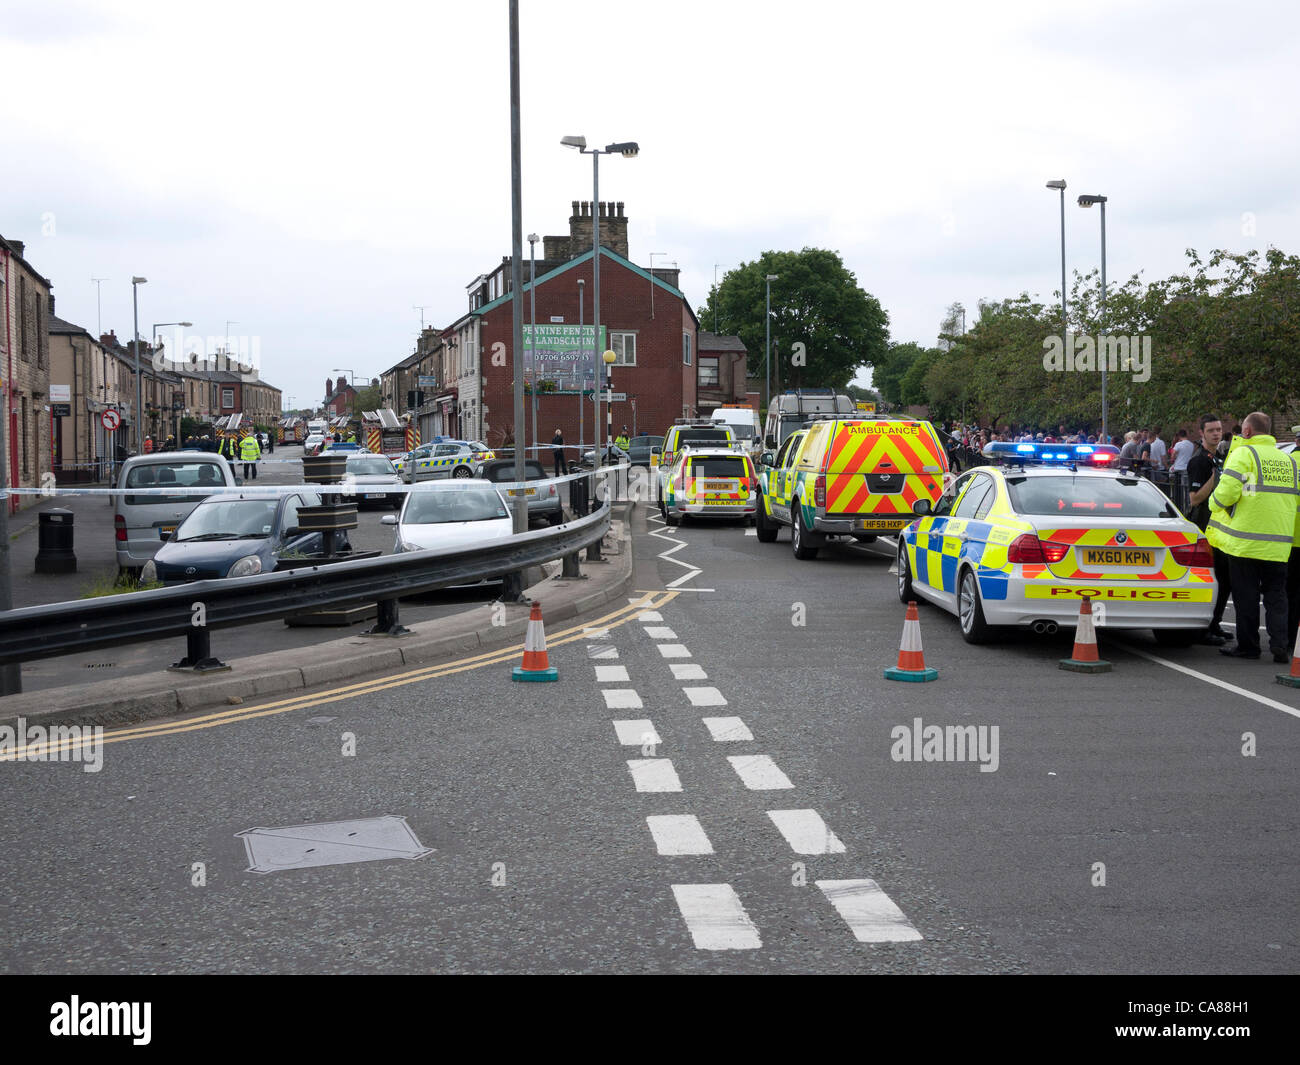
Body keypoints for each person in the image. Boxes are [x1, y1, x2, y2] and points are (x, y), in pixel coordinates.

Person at [1207, 411, 1298, 662]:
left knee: (1245, 596)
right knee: (1276, 596)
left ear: (1247, 432)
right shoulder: (1287, 460)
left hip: (1245, 541)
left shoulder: (1244, 454)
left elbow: (1226, 493)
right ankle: (1280, 645)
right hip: (1279, 542)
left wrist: (1213, 504)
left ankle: (1248, 646)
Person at [1187, 415, 1229, 644]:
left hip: (1221, 527)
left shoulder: (1220, 457)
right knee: (1215, 578)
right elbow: (1194, 499)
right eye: (1211, 430)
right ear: (1201, 433)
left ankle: (1215, 623)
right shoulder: (1199, 461)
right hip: (1205, 526)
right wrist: (1215, 478)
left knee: (1226, 580)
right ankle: (1205, 628)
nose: (1216, 434)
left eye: (1218, 430)